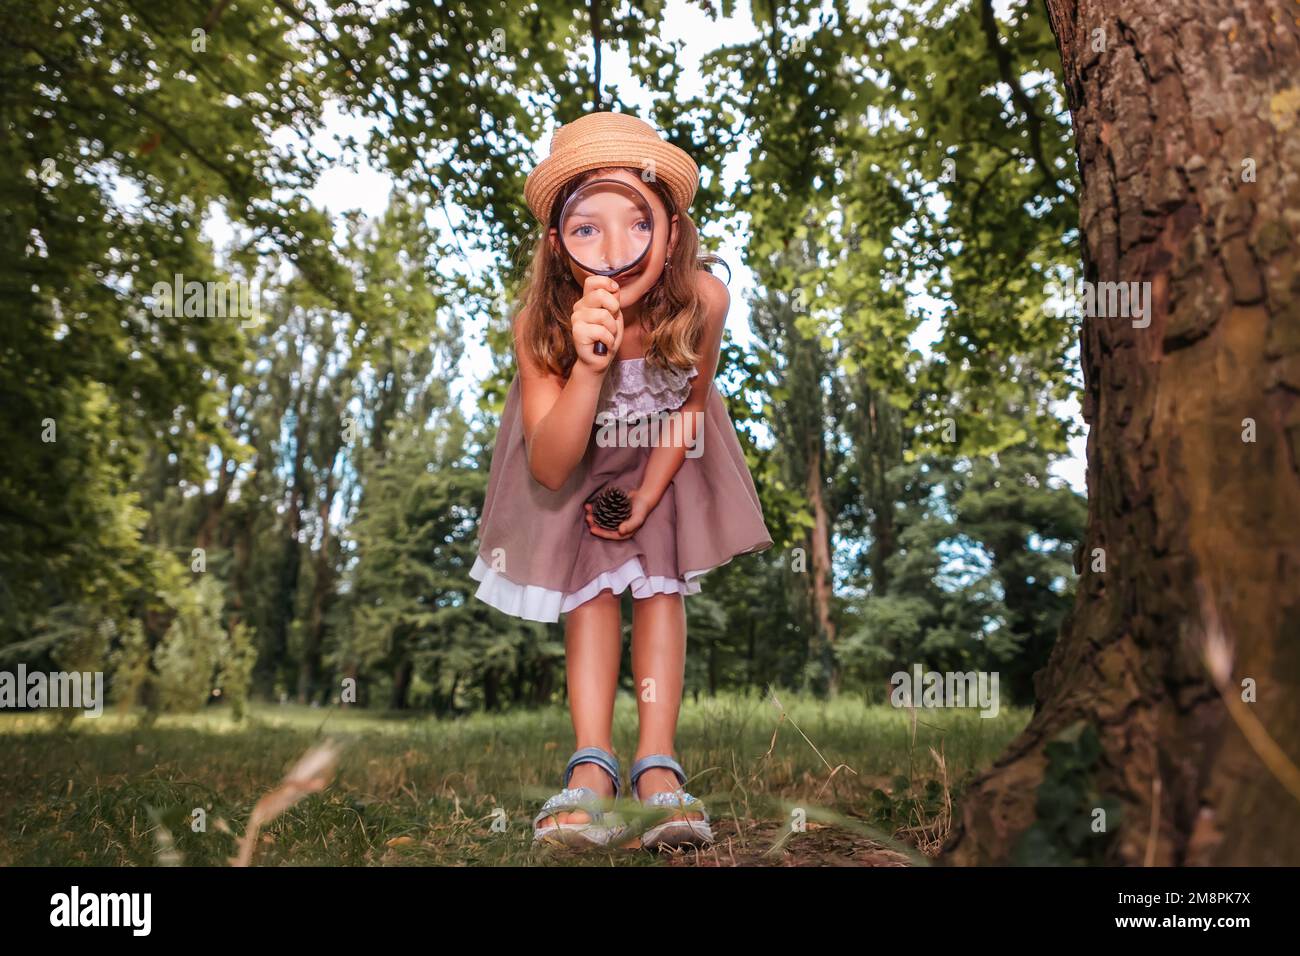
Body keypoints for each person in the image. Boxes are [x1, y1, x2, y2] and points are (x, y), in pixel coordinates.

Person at [469, 110, 773, 850]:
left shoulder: (703, 300)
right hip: (574, 462)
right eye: (586, 228)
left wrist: (646, 494)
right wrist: (590, 364)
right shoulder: (538, 324)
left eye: (637, 222)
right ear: (557, 244)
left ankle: (657, 769)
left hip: (665, 462)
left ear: (673, 229)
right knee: (592, 593)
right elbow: (549, 462)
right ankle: (592, 767)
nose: (614, 249)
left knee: (660, 585)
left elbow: (691, 410)